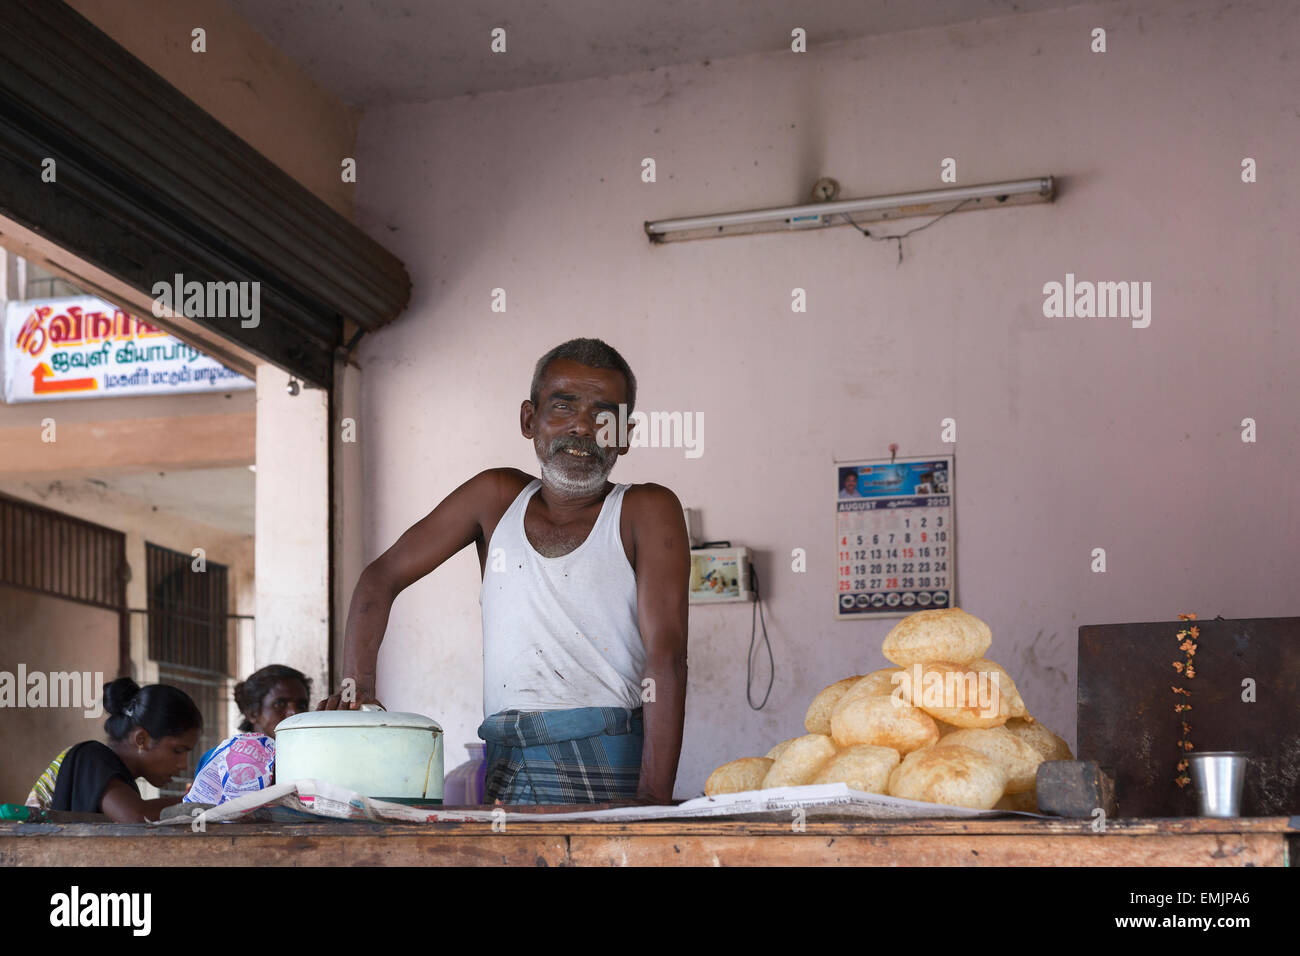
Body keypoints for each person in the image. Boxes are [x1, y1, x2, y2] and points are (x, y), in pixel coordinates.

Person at [320, 338, 689, 806]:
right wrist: (359, 689)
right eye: (563, 405)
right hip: (506, 755)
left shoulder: (645, 508)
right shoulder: (495, 499)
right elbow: (381, 575)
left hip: (608, 752)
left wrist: (653, 797)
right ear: (528, 419)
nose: (582, 425)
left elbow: (668, 653)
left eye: (603, 415)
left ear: (624, 434)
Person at [37, 677, 202, 822]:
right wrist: (197, 801)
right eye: (178, 751)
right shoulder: (90, 756)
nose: (183, 765)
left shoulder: (122, 784)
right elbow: (136, 816)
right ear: (141, 739)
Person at [184, 664, 311, 806]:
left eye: (302, 705)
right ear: (252, 712)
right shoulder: (220, 757)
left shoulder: (307, 757)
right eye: (280, 704)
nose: (294, 712)